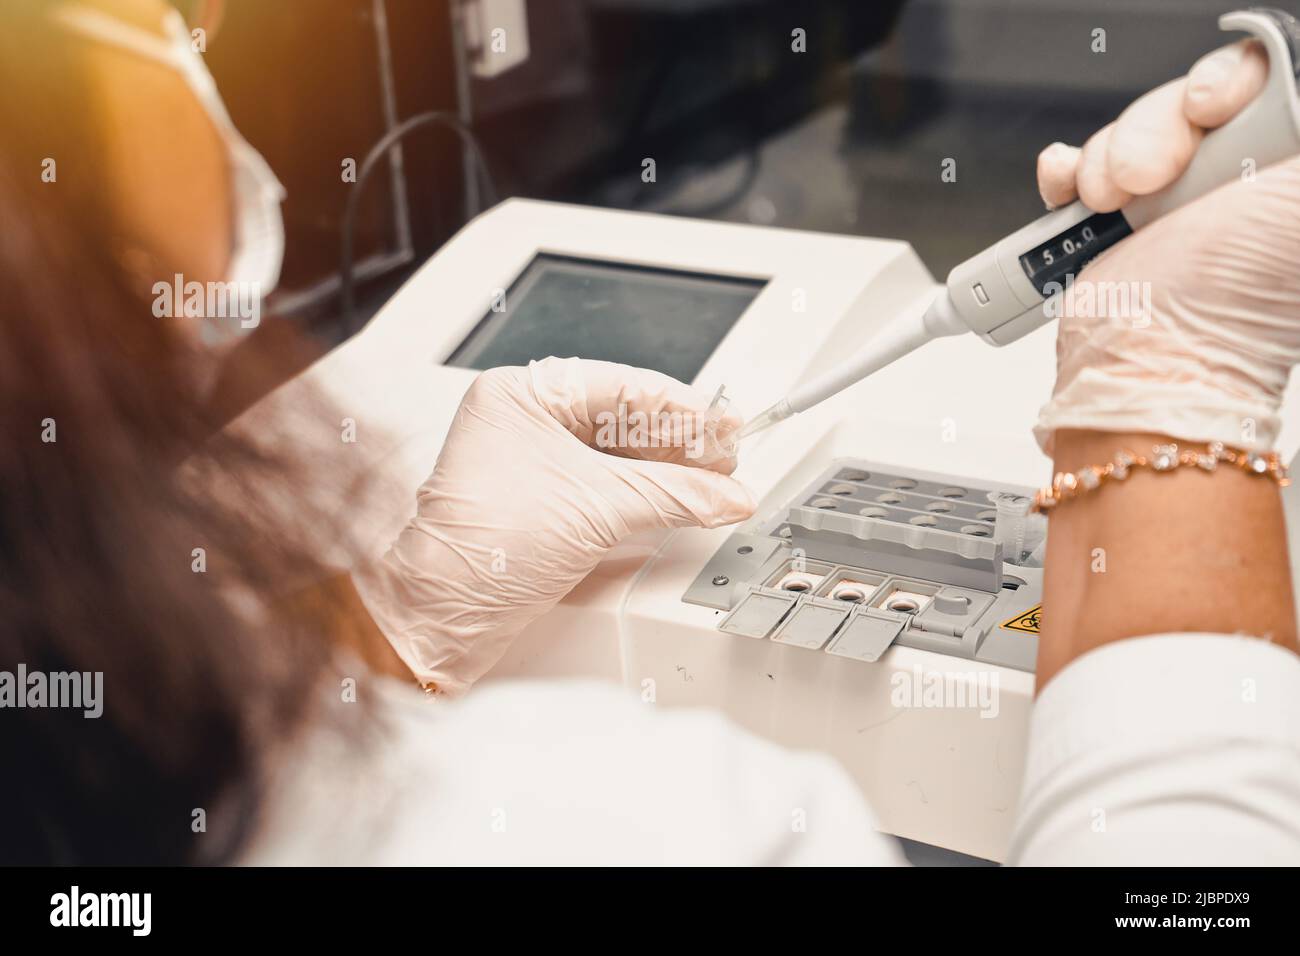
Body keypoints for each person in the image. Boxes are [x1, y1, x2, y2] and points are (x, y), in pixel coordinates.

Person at [1, 0, 1297, 865]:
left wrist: (387, 626)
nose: (208, 35)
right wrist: (1167, 393)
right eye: (166, 18)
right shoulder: (643, 827)